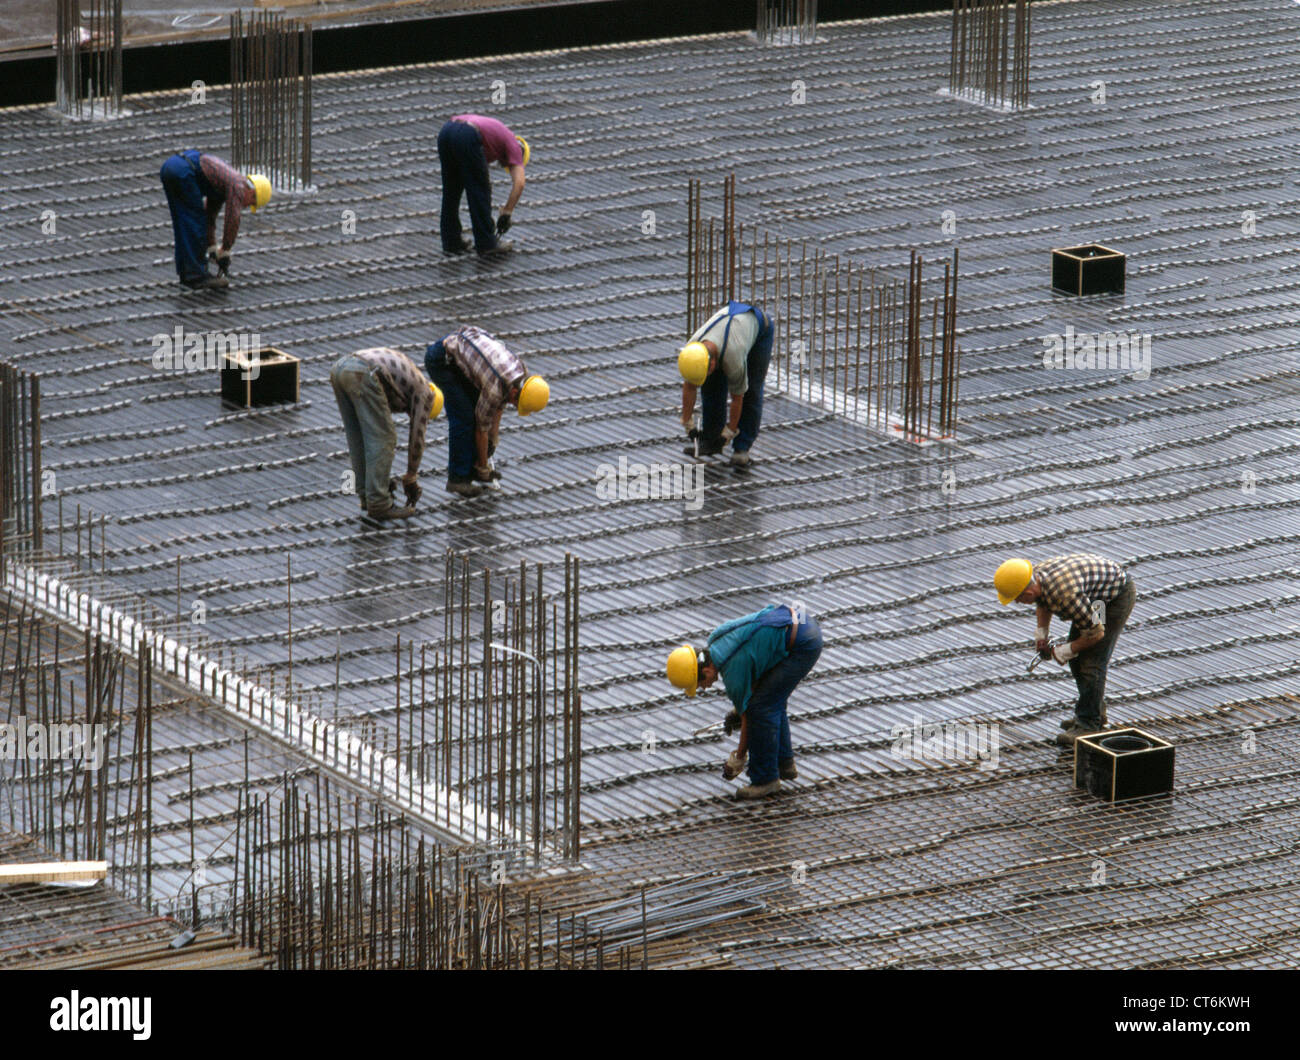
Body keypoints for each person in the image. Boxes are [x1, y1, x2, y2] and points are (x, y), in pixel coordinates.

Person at [666, 603, 822, 799]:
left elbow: (751, 717)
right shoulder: (715, 639)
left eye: (700, 684)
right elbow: (754, 661)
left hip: (804, 643)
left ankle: (765, 780)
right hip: (800, 621)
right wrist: (739, 711)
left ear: (706, 671)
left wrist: (738, 758)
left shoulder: (733, 675)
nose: (704, 688)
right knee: (771, 698)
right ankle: (784, 763)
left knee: (762, 708)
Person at [994, 554, 1137, 746]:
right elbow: (1043, 603)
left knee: (1091, 662)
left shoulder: (1066, 595)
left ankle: (1089, 724)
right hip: (1093, 595)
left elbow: (1095, 634)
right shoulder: (1035, 577)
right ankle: (1094, 711)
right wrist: (1042, 635)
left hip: (1111, 599)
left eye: (1017, 599)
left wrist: (1065, 650)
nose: (1018, 603)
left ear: (1027, 593)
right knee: (1078, 660)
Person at [424, 327, 549, 497]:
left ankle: (472, 468)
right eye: (515, 403)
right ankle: (458, 479)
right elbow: (481, 429)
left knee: (478, 411)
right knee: (465, 418)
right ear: (515, 393)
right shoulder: (495, 388)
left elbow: (499, 406)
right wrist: (484, 466)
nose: (513, 405)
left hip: (465, 348)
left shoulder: (520, 372)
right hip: (442, 359)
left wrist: (493, 439)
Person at [330, 348, 442, 521]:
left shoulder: (408, 385)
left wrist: (381, 478)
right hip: (363, 372)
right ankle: (379, 503)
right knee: (385, 437)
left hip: (341, 369)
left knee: (360, 436)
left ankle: (367, 496)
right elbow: (417, 439)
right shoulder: (425, 394)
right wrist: (411, 476)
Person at [677, 301, 774, 468]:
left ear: (713, 362)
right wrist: (688, 423)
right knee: (711, 386)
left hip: (760, 329)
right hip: (730, 330)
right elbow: (690, 386)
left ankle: (741, 449)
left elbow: (738, 398)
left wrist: (729, 432)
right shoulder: (693, 350)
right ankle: (710, 440)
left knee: (751, 390)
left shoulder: (733, 357)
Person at [159, 150, 270, 289]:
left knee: (184, 225)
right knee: (194, 224)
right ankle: (196, 276)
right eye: (251, 204)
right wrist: (225, 250)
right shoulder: (238, 186)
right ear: (252, 193)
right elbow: (232, 219)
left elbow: (209, 216)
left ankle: (186, 273)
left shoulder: (223, 183)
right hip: (183, 173)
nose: (247, 206)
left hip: (170, 168)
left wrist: (212, 247)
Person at [436, 114, 528, 255]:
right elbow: (520, 183)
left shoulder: (496, 140)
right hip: (467, 134)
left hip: (447, 130)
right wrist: (507, 212)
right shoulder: (514, 146)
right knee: (480, 190)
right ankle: (487, 242)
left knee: (451, 191)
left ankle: (451, 241)